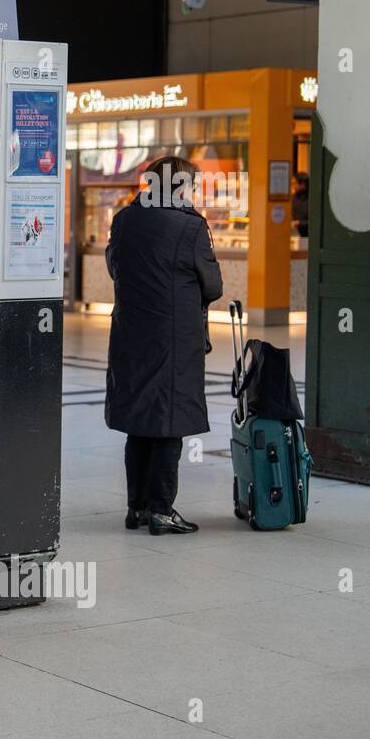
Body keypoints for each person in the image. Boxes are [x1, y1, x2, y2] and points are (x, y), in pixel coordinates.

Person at [106, 156, 223, 535]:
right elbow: (214, 286)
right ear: (181, 187)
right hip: (174, 337)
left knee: (138, 420)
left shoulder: (124, 220)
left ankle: (136, 509)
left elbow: (115, 266)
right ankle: (161, 510)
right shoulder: (190, 227)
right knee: (169, 421)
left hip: (130, 334)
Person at [290, 173, 309, 238]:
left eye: (294, 183)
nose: (292, 186)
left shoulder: (311, 200)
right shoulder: (291, 199)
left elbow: (314, 222)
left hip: (307, 237)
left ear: (303, 184)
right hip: (294, 235)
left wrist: (299, 223)